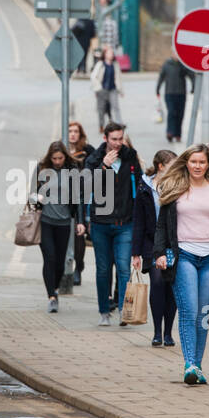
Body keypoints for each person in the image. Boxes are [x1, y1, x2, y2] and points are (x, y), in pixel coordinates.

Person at [152, 145, 209, 385]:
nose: (198, 166)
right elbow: (162, 224)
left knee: (204, 314)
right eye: (194, 162)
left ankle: (197, 366)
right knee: (189, 310)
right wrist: (160, 252)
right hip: (185, 256)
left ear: (208, 164)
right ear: (186, 163)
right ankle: (189, 363)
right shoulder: (175, 187)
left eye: (202, 162)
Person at [83, 123, 143, 327]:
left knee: (124, 269)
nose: (118, 143)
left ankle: (123, 311)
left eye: (120, 138)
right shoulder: (94, 159)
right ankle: (103, 311)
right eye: (114, 139)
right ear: (105, 138)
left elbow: (140, 184)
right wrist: (104, 168)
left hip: (125, 222)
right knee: (103, 269)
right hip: (101, 223)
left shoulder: (130, 156)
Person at [132, 148, 177, 347]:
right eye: (171, 166)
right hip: (152, 243)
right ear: (160, 166)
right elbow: (138, 221)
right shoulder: (145, 187)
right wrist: (135, 252)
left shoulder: (178, 186)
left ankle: (168, 332)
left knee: (171, 287)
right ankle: (157, 331)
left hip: (173, 243)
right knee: (158, 283)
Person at [34, 142, 86, 313]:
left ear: (65, 157)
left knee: (60, 264)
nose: (57, 161)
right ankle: (52, 296)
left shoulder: (73, 171)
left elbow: (78, 198)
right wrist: (37, 197)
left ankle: (55, 288)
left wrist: (80, 221)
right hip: (46, 221)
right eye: (54, 158)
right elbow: (31, 193)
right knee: (49, 258)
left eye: (60, 158)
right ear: (50, 157)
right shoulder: (41, 169)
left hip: (64, 223)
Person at [67, 121, 95, 286]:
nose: (72, 134)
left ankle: (78, 267)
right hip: (65, 199)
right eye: (70, 131)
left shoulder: (88, 150)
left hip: (83, 199)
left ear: (80, 134)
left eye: (76, 131)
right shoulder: (60, 150)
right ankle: (67, 265)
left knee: (79, 233)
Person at [156, 56, 191, 143]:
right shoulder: (167, 64)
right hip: (169, 93)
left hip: (181, 93)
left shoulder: (183, 65)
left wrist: (194, 86)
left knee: (180, 114)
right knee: (171, 112)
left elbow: (191, 75)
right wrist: (158, 88)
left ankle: (178, 134)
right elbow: (161, 76)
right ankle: (170, 132)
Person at [90, 45, 123, 127]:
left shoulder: (115, 64)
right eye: (109, 53)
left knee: (116, 107)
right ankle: (101, 125)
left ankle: (119, 124)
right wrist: (98, 88)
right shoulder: (100, 64)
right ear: (105, 54)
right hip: (102, 90)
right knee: (101, 109)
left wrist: (121, 90)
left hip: (113, 89)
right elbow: (93, 76)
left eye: (112, 53)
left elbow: (118, 78)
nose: (111, 54)